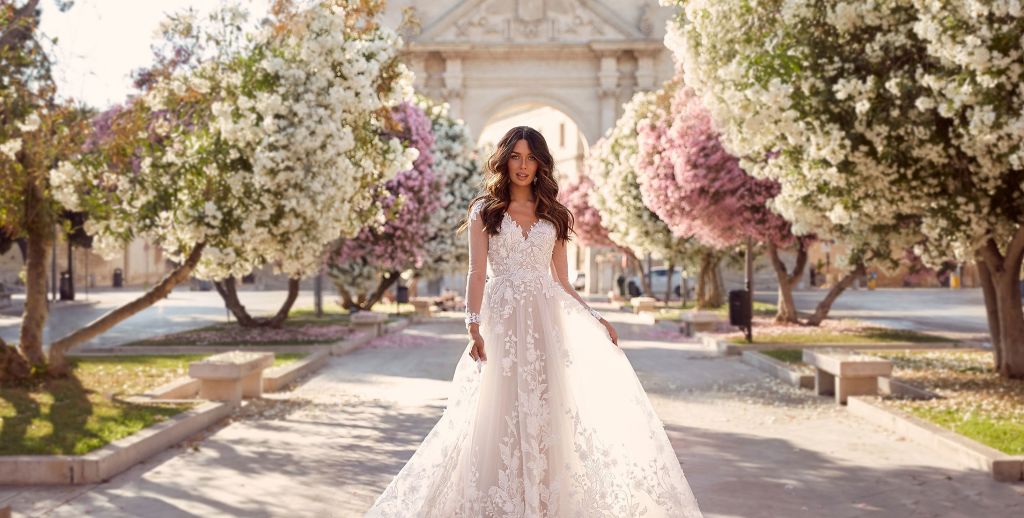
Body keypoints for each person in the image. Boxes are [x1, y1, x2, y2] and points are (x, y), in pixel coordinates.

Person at [365, 127, 702, 517]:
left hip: (545, 326)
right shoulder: (485, 211)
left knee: (545, 413)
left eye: (530, 158)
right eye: (515, 157)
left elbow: (563, 282)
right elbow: (477, 273)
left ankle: (542, 504)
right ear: (504, 160)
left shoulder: (554, 215)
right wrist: (473, 325)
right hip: (502, 324)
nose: (523, 166)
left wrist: (595, 317)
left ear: (541, 163)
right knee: (498, 413)